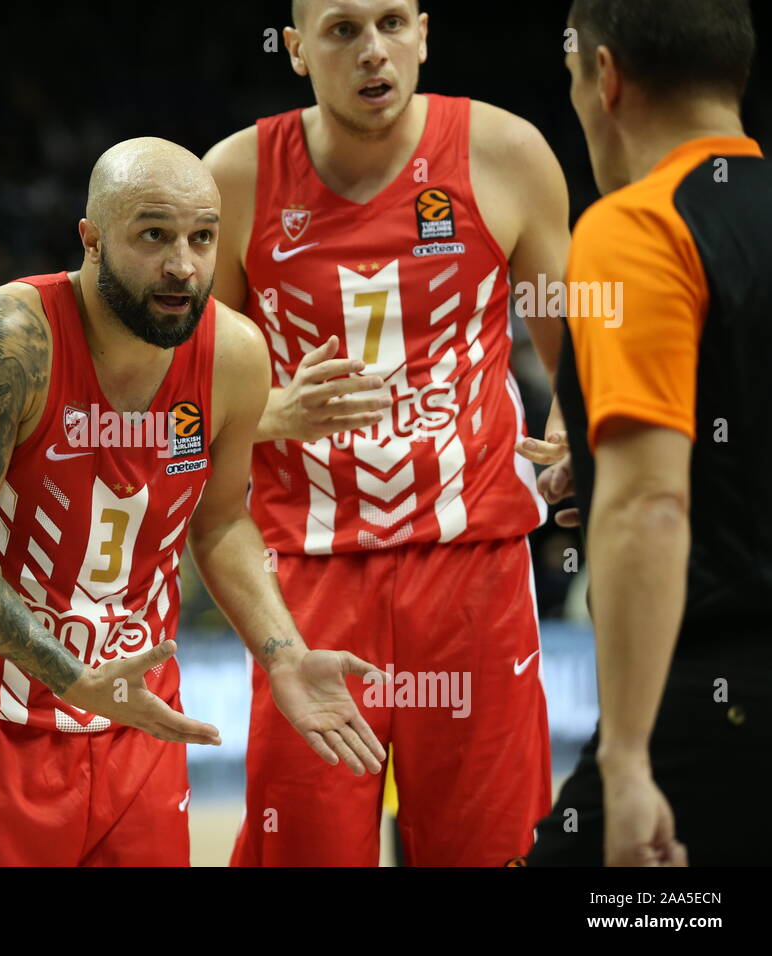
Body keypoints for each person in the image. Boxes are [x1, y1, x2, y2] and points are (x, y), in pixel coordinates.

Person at [0, 137, 388, 867]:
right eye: (154, 235)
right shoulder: (5, 339)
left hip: (140, 724)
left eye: (202, 238)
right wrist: (73, 680)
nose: (183, 265)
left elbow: (219, 523)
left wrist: (282, 651)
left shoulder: (237, 354)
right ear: (91, 240)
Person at [203, 0, 573, 865]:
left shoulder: (507, 152)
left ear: (425, 33)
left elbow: (579, 360)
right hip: (305, 580)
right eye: (341, 30)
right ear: (296, 50)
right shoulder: (232, 177)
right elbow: (174, 408)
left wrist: (575, 444)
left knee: (488, 851)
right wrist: (268, 414)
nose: (374, 51)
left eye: (392, 23)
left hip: (472, 567)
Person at [529, 0, 770, 867]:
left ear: (605, 77)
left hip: (713, 708)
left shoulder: (638, 226)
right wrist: (592, 470)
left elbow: (651, 506)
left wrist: (628, 760)